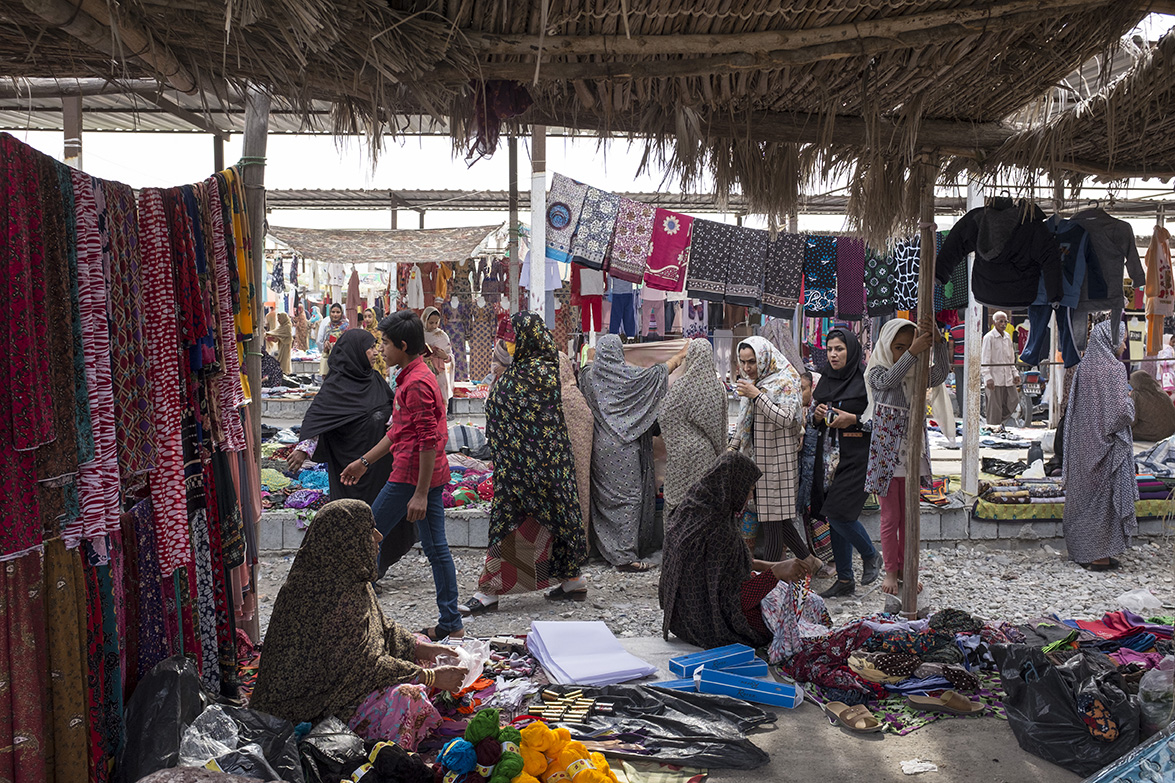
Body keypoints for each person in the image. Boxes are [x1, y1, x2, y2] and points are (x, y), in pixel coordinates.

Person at [249, 500, 467, 732]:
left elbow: (383, 627)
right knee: (406, 700)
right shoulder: (325, 596)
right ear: (345, 542)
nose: (379, 537)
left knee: (419, 644)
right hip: (308, 706)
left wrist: (426, 650)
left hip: (347, 678)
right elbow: (365, 666)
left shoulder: (348, 577)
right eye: (368, 531)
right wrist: (430, 677)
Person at [341, 311, 462, 640]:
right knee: (436, 549)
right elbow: (398, 432)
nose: (381, 349)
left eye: (386, 343)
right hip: (421, 474)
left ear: (404, 346)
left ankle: (356, 619)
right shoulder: (413, 377)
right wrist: (363, 462)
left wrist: (420, 493)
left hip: (410, 477)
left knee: (367, 536)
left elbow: (427, 442)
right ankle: (450, 621)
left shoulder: (417, 383)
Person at [459, 312, 588, 616]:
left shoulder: (523, 375)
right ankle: (572, 580)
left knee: (513, 524)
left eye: (512, 342)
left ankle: (489, 590)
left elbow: (497, 406)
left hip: (523, 470)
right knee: (555, 518)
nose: (508, 347)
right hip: (553, 467)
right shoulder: (546, 368)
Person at [660, 451, 810, 649]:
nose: (750, 496)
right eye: (749, 489)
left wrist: (773, 565)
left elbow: (721, 569)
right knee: (799, 614)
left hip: (680, 621)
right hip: (709, 627)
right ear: (733, 485)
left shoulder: (688, 511)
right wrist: (775, 573)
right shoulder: (719, 531)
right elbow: (736, 601)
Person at [580, 334, 687, 572]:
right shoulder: (630, 377)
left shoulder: (589, 377)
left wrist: (589, 356)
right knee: (629, 500)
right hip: (626, 448)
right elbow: (658, 373)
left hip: (600, 448)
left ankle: (607, 549)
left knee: (605, 500)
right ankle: (625, 556)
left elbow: (586, 366)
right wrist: (680, 356)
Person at [863, 317, 950, 596]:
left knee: (909, 517)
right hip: (886, 459)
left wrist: (939, 344)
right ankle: (890, 570)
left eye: (908, 346)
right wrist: (914, 352)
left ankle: (906, 569)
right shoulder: (876, 372)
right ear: (887, 347)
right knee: (890, 518)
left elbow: (940, 376)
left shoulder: (916, 373)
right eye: (898, 347)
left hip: (913, 456)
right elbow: (888, 380)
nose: (903, 352)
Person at [729, 336, 821, 572]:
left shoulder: (784, 381)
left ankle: (767, 583)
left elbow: (787, 419)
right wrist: (733, 447)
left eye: (752, 362)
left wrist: (757, 396)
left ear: (764, 358)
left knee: (771, 524)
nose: (748, 368)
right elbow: (745, 422)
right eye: (743, 362)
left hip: (778, 461)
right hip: (759, 462)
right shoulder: (757, 381)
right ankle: (809, 562)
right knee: (776, 520)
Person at [811, 329, 883, 599]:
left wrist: (851, 419)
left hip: (857, 456)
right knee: (832, 515)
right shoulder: (825, 380)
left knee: (839, 513)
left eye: (839, 349)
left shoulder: (866, 382)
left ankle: (870, 554)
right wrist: (817, 415)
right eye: (830, 349)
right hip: (829, 458)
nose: (833, 354)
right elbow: (813, 420)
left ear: (850, 351)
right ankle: (844, 579)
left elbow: (878, 420)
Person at [287, 329, 395, 506]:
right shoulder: (335, 387)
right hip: (349, 470)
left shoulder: (375, 379)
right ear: (355, 352)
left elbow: (393, 406)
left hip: (380, 466)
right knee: (351, 516)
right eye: (370, 348)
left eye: (375, 346)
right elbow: (317, 419)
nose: (376, 352)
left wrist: (393, 420)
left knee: (383, 517)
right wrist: (304, 448)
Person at [1064, 320, 1138, 571]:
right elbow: (1119, 414)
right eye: (1123, 339)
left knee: (1084, 498)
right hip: (1107, 447)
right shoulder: (1114, 369)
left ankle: (1084, 551)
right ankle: (1099, 556)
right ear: (1111, 340)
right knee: (1104, 500)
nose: (1125, 345)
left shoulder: (1084, 368)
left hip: (1083, 445)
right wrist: (1130, 401)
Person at [660, 339, 728, 521]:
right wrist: (720, 453)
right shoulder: (716, 387)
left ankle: (676, 546)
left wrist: (678, 439)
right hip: (706, 455)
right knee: (702, 503)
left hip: (681, 453)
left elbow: (664, 415)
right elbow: (718, 427)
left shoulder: (681, 385)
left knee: (678, 503)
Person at [559, 352, 594, 541]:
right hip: (580, 463)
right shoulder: (575, 396)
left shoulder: (547, 397)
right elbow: (588, 421)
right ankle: (581, 544)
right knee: (581, 496)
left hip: (557, 465)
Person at [981, 311, 1020, 431]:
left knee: (1014, 400)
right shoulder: (989, 337)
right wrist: (987, 377)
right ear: (994, 322)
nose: (1003, 324)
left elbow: (1011, 358)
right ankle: (993, 428)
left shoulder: (1007, 337)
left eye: (1005, 322)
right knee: (994, 407)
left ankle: (998, 423)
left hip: (1007, 377)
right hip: (994, 378)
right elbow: (985, 358)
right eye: (1001, 321)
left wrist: (1015, 373)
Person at [422, 305, 453, 407]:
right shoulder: (418, 334)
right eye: (431, 323)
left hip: (439, 375)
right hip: (422, 373)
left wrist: (445, 356)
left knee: (440, 402)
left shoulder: (442, 336)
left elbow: (450, 357)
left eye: (436, 323)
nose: (434, 326)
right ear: (424, 319)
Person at [1132, 370, 1175, 442]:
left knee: (1121, 432)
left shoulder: (1137, 395)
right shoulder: (1161, 392)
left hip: (1154, 434)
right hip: (1170, 431)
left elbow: (1132, 420)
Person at [318, 302, 349, 376]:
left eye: (338, 312)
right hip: (329, 359)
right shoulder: (328, 326)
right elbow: (323, 339)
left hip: (342, 360)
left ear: (342, 313)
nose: (335, 315)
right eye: (333, 312)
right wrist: (326, 343)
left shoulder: (346, 327)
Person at [363, 307, 388, 377]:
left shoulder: (379, 331)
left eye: (369, 317)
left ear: (374, 317)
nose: (367, 319)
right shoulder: (364, 332)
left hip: (378, 359)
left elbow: (381, 344)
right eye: (365, 317)